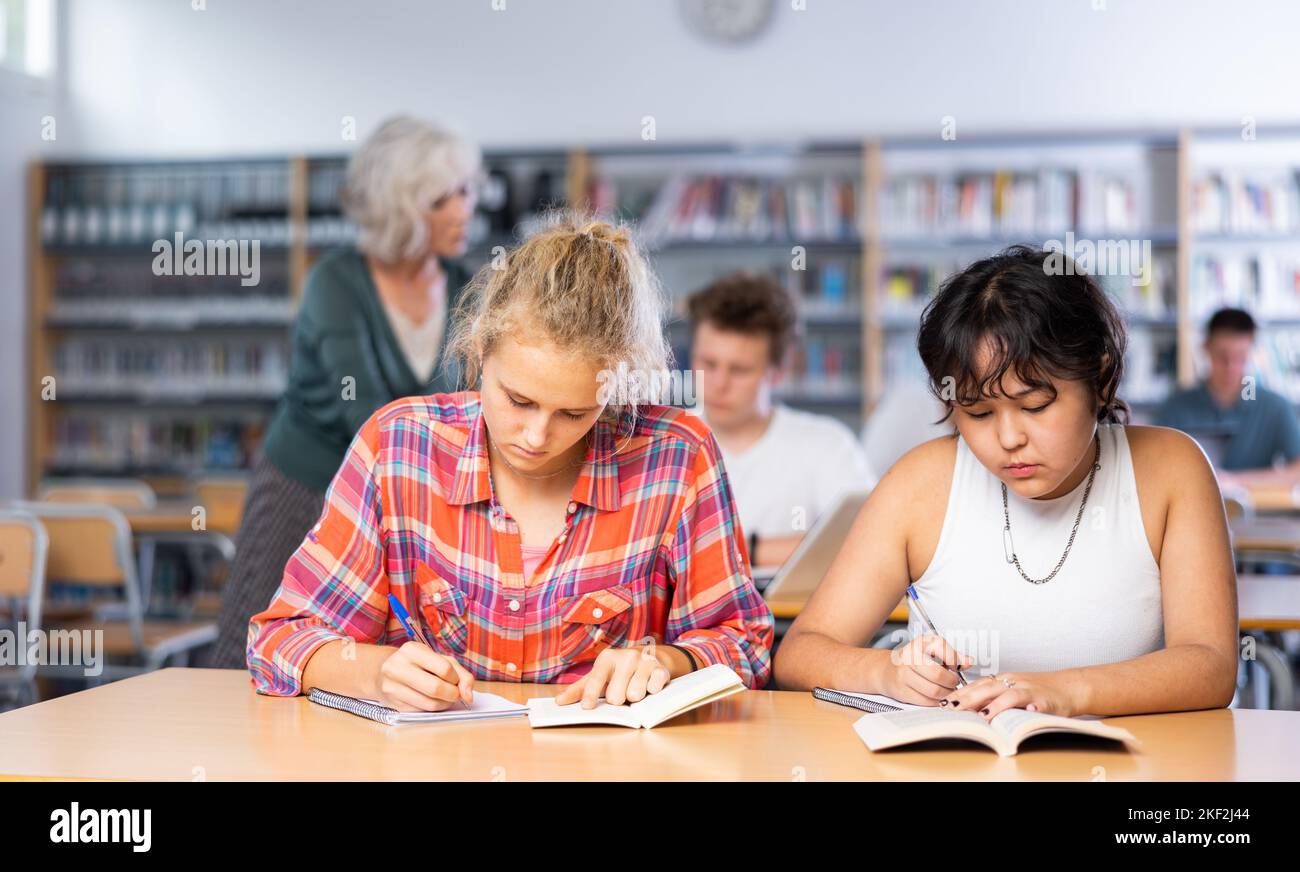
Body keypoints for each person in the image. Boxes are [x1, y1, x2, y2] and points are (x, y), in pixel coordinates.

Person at [247, 215, 774, 710]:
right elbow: (278, 640)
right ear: (479, 350)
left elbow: (746, 645)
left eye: (574, 411)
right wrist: (375, 671)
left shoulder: (678, 456)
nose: (537, 436)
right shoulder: (398, 446)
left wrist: (668, 661)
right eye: (518, 400)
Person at [774, 245, 1238, 719]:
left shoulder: (1172, 470)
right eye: (977, 412)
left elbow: (1211, 665)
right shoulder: (919, 484)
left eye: (1035, 406)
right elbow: (799, 653)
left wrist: (1062, 693)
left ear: (1099, 379)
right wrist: (885, 671)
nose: (1009, 438)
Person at [208, 116, 479, 668]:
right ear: (400, 208)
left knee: (367, 659)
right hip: (305, 488)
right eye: (441, 199)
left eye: (466, 190)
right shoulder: (335, 282)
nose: (463, 208)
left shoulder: (464, 285)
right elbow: (370, 417)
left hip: (411, 497)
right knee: (253, 645)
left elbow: (473, 404)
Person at [687, 272, 875, 568]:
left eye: (739, 370)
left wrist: (731, 550)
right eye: (708, 364)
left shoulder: (828, 445)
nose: (719, 383)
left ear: (777, 372)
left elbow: (867, 540)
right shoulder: (664, 444)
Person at [1156, 307, 1300, 489]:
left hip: (1258, 512)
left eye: (1240, 357)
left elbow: (1297, 469)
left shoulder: (1275, 407)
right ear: (1206, 348)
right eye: (1222, 356)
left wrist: (1235, 481)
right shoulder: (1176, 406)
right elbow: (1156, 466)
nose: (1230, 366)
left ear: (1252, 353)